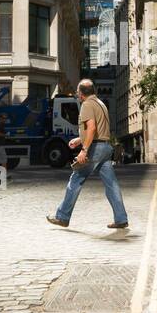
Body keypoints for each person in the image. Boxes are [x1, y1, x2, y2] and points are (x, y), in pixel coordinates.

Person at [46, 78, 128, 230]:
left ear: (81, 93)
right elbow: (98, 130)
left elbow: (91, 128)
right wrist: (79, 140)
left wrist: (84, 150)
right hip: (105, 148)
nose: (77, 94)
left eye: (78, 91)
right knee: (112, 185)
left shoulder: (87, 105)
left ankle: (62, 217)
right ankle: (121, 218)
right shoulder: (101, 104)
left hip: (95, 150)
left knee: (75, 180)